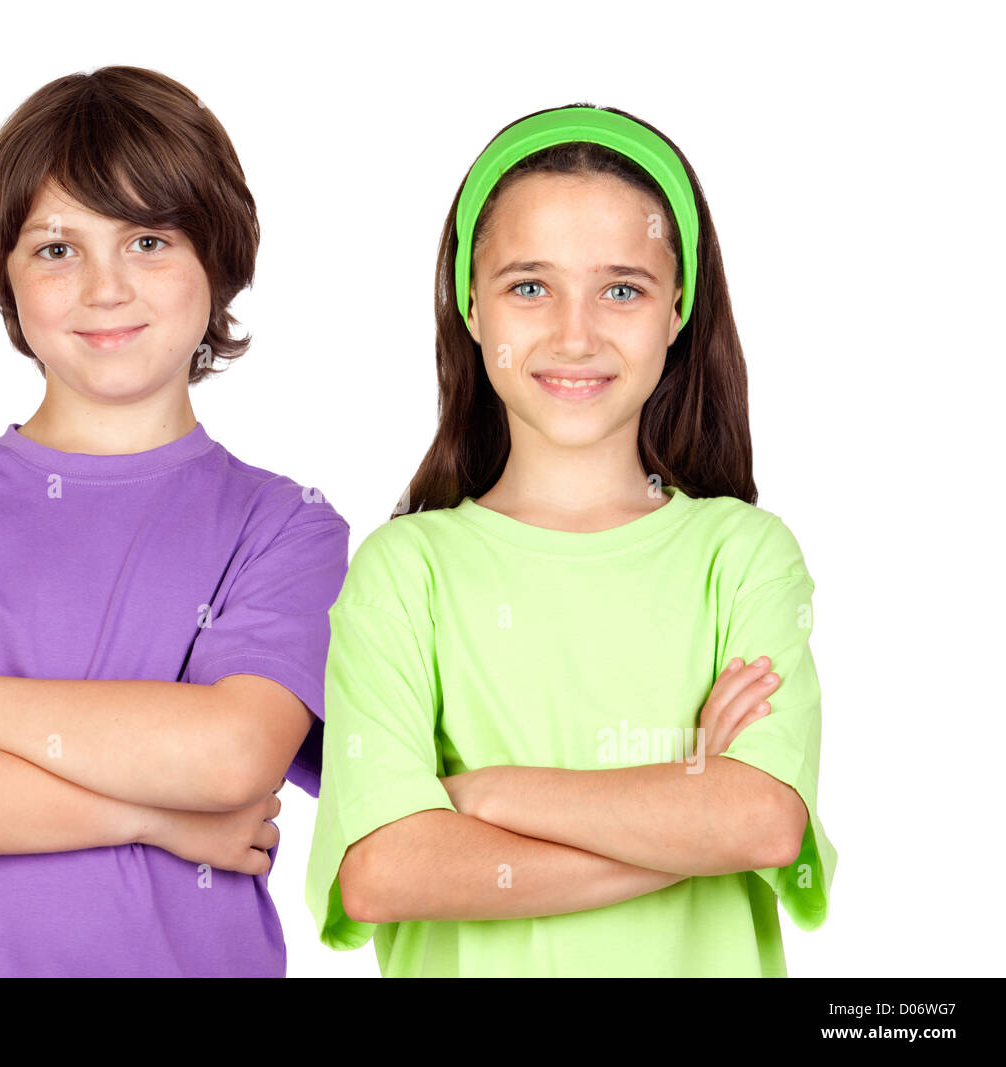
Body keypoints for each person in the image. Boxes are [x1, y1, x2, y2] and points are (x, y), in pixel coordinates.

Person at [0, 66, 348, 977]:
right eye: (56, 249)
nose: (104, 287)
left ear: (220, 258)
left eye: (149, 241)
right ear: (3, 277)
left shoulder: (285, 526)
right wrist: (153, 815)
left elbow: (231, 755)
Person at [304, 103, 837, 977]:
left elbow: (762, 822)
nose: (576, 333)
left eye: (621, 288)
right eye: (529, 285)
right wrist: (681, 810)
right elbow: (383, 873)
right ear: (472, 308)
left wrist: (485, 795)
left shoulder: (742, 556)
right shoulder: (406, 571)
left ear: (678, 311)